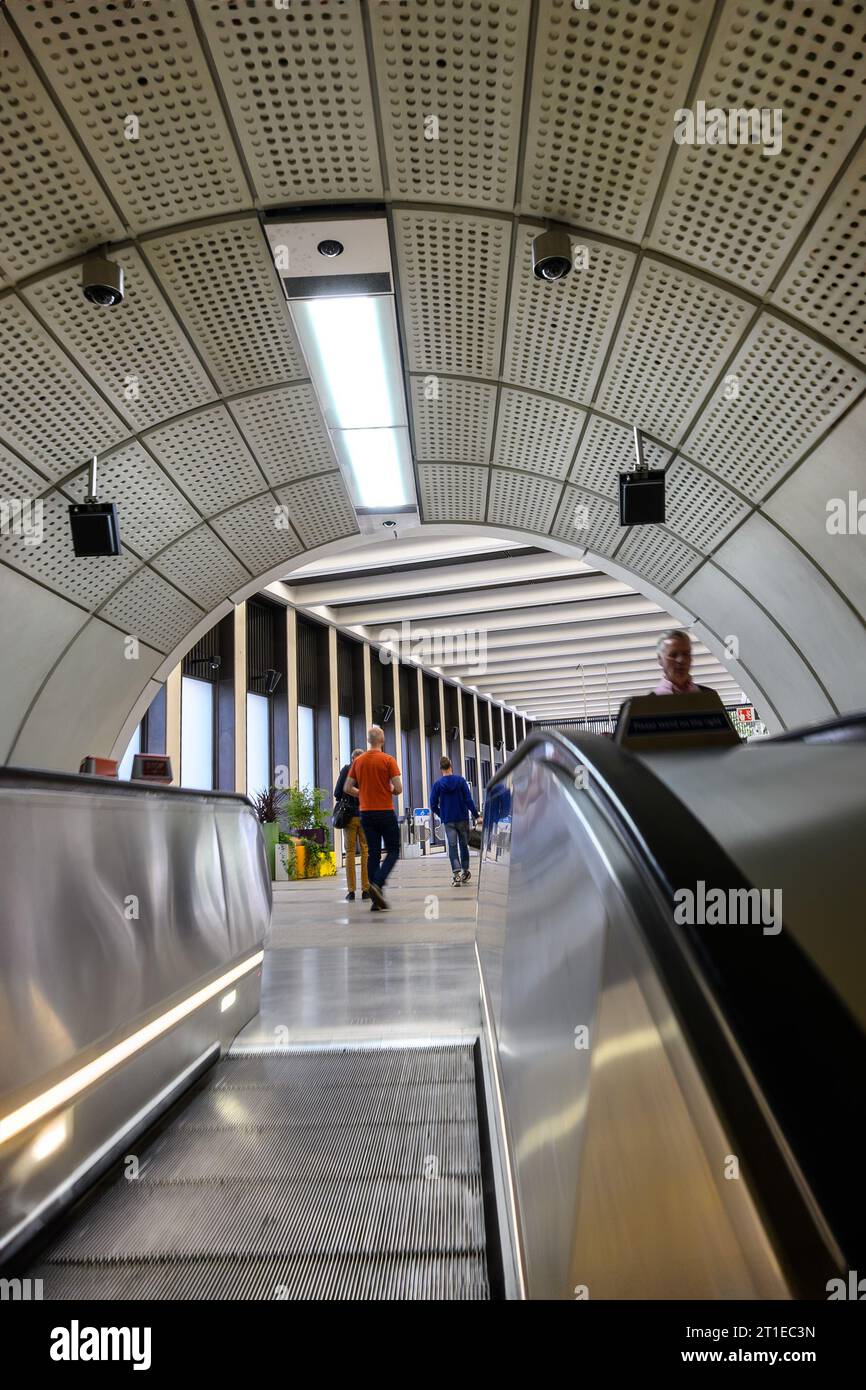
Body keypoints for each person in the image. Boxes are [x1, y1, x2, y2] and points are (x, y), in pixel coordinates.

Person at [344, 726, 402, 912]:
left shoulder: (358, 761)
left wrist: (362, 793)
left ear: (369, 740)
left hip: (366, 813)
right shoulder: (388, 760)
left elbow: (347, 787)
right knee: (393, 849)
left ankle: (376, 901)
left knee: (373, 854)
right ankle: (377, 883)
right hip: (385, 811)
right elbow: (398, 788)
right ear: (382, 740)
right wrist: (389, 790)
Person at [429, 755, 478, 887]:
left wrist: (442, 814)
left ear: (441, 769)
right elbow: (468, 800)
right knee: (463, 845)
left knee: (452, 846)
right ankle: (465, 871)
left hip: (448, 820)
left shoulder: (438, 784)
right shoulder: (461, 781)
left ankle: (456, 875)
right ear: (451, 766)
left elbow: (433, 804)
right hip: (462, 818)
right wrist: (476, 815)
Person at [334, 749, 369, 902]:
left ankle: (351, 890)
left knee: (349, 852)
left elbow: (337, 793)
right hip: (365, 815)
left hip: (349, 817)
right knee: (365, 851)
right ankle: (366, 889)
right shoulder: (367, 771)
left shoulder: (347, 770)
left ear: (352, 757)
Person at [652, 629, 711, 695]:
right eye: (673, 655)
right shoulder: (649, 702)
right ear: (660, 659)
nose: (681, 660)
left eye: (686, 654)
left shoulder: (708, 695)